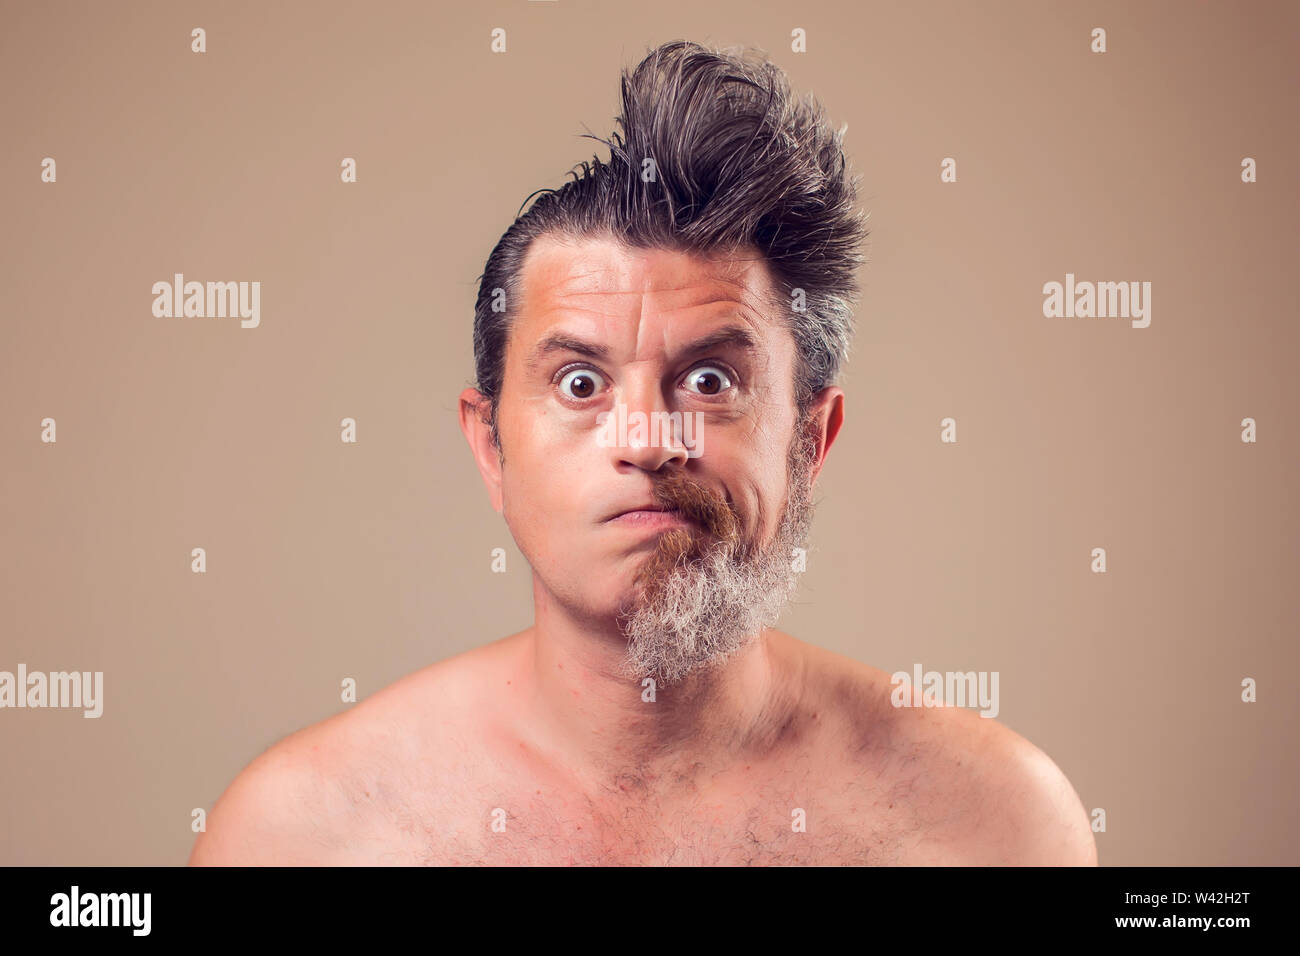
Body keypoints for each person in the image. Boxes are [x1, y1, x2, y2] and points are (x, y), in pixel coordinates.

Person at [190, 40, 1096, 866]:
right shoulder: (304, 837)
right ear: (491, 448)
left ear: (809, 442)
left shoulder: (989, 827)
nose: (649, 441)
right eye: (580, 384)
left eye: (709, 381)